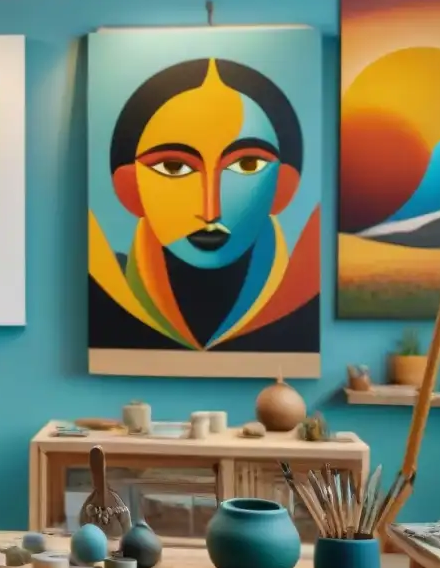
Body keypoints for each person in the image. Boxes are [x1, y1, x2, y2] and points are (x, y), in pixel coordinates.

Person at [89, 57, 320, 354]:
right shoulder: (104, 293)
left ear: (284, 186)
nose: (211, 210)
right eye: (173, 167)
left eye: (248, 164)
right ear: (129, 188)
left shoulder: (304, 303)